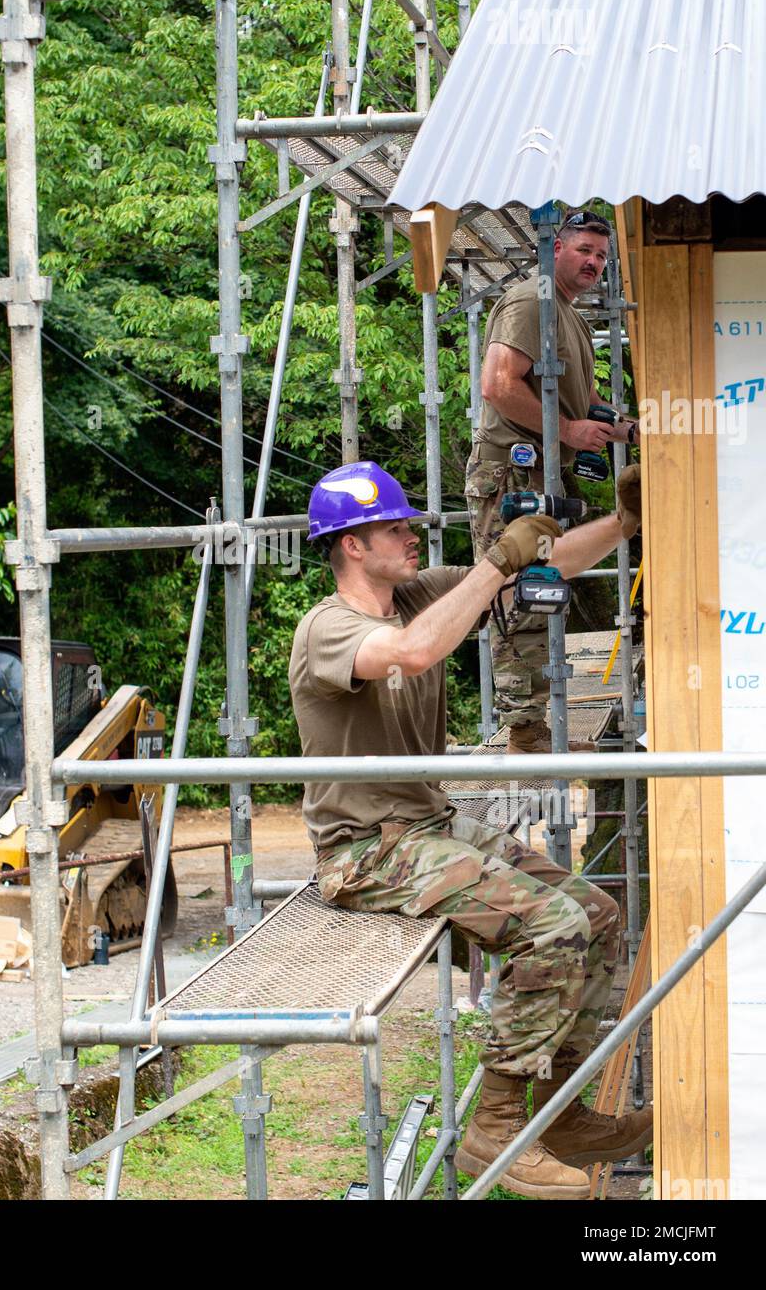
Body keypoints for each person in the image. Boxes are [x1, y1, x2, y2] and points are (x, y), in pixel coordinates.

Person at [290, 460, 649, 1199]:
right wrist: (494, 561)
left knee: (597, 914)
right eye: (396, 528)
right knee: (548, 926)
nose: (413, 536)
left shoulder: (414, 593)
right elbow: (417, 651)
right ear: (352, 545)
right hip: (366, 850)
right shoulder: (328, 628)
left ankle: (555, 1109)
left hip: (427, 824)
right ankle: (494, 1127)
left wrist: (623, 526)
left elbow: (539, 565)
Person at [465, 209, 638, 753]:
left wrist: (619, 425)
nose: (594, 263)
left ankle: (536, 725)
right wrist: (568, 429)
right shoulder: (530, 301)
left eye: (603, 256)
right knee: (512, 586)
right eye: (585, 250)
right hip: (511, 469)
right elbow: (497, 385)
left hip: (544, 470)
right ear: (556, 247)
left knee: (541, 587)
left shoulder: (569, 315)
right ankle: (523, 727)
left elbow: (573, 394)